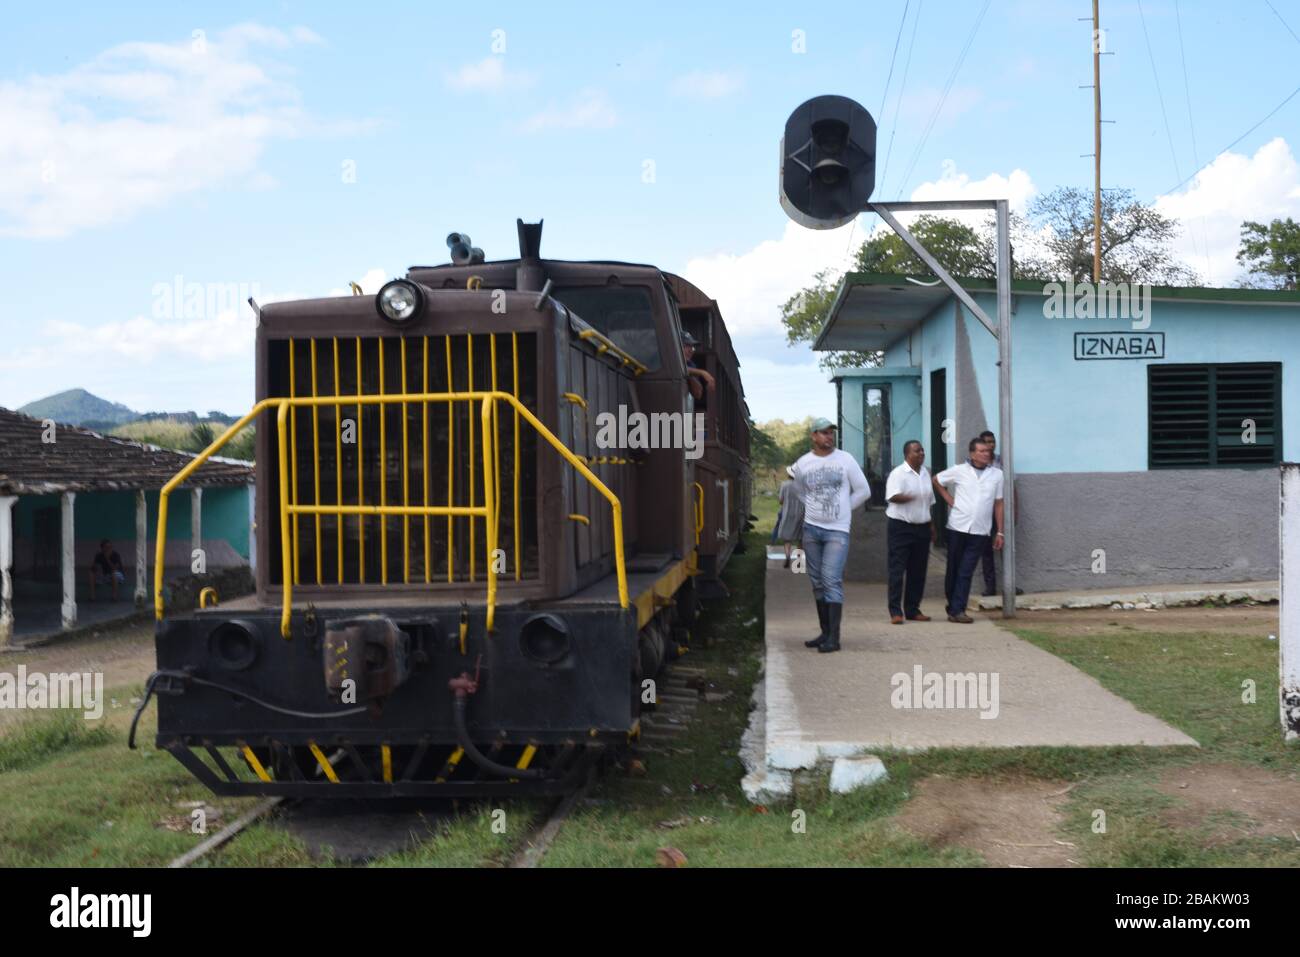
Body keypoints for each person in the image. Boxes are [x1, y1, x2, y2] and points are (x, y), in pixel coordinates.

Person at [793, 418, 870, 653]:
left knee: (831, 579)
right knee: (817, 581)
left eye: (831, 433)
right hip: (811, 529)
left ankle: (834, 639)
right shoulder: (803, 464)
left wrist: (844, 508)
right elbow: (799, 492)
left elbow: (864, 491)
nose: (829, 437)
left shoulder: (845, 460)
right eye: (824, 433)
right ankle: (825, 633)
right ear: (813, 436)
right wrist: (816, 509)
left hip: (837, 530)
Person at [933, 438, 1004, 623]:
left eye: (987, 451)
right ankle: (953, 606)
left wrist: (1000, 531)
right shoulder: (959, 470)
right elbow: (937, 480)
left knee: (966, 570)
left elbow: (998, 503)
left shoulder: (997, 475)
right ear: (972, 454)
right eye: (981, 451)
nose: (985, 454)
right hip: (957, 527)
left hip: (981, 530)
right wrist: (950, 500)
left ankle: (958, 610)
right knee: (954, 569)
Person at [884, 440, 936, 624]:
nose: (921, 453)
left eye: (922, 450)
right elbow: (892, 496)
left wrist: (931, 526)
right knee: (897, 570)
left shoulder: (925, 474)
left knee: (918, 571)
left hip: (922, 527)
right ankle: (895, 612)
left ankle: (913, 609)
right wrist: (909, 497)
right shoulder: (898, 474)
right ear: (907, 454)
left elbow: (929, 503)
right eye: (917, 451)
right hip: (901, 527)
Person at [977, 430, 1001, 597]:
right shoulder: (976, 463)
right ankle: (990, 586)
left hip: (1001, 510)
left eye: (992, 441)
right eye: (986, 442)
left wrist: (1014, 511)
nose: (990, 445)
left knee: (1005, 548)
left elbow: (1011, 486)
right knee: (986, 550)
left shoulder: (1002, 461)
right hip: (984, 511)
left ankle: (1009, 584)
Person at [773, 464, 805, 567]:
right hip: (801, 514)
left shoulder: (784, 484)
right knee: (800, 538)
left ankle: (787, 556)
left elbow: (781, 501)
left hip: (787, 513)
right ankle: (799, 561)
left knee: (787, 538)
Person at [681, 331, 715, 410]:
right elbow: (676, 367)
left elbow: (698, 394)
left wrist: (690, 376)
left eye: (692, 347)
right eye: (686, 346)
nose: (691, 350)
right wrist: (702, 373)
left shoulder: (691, 364)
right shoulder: (668, 359)